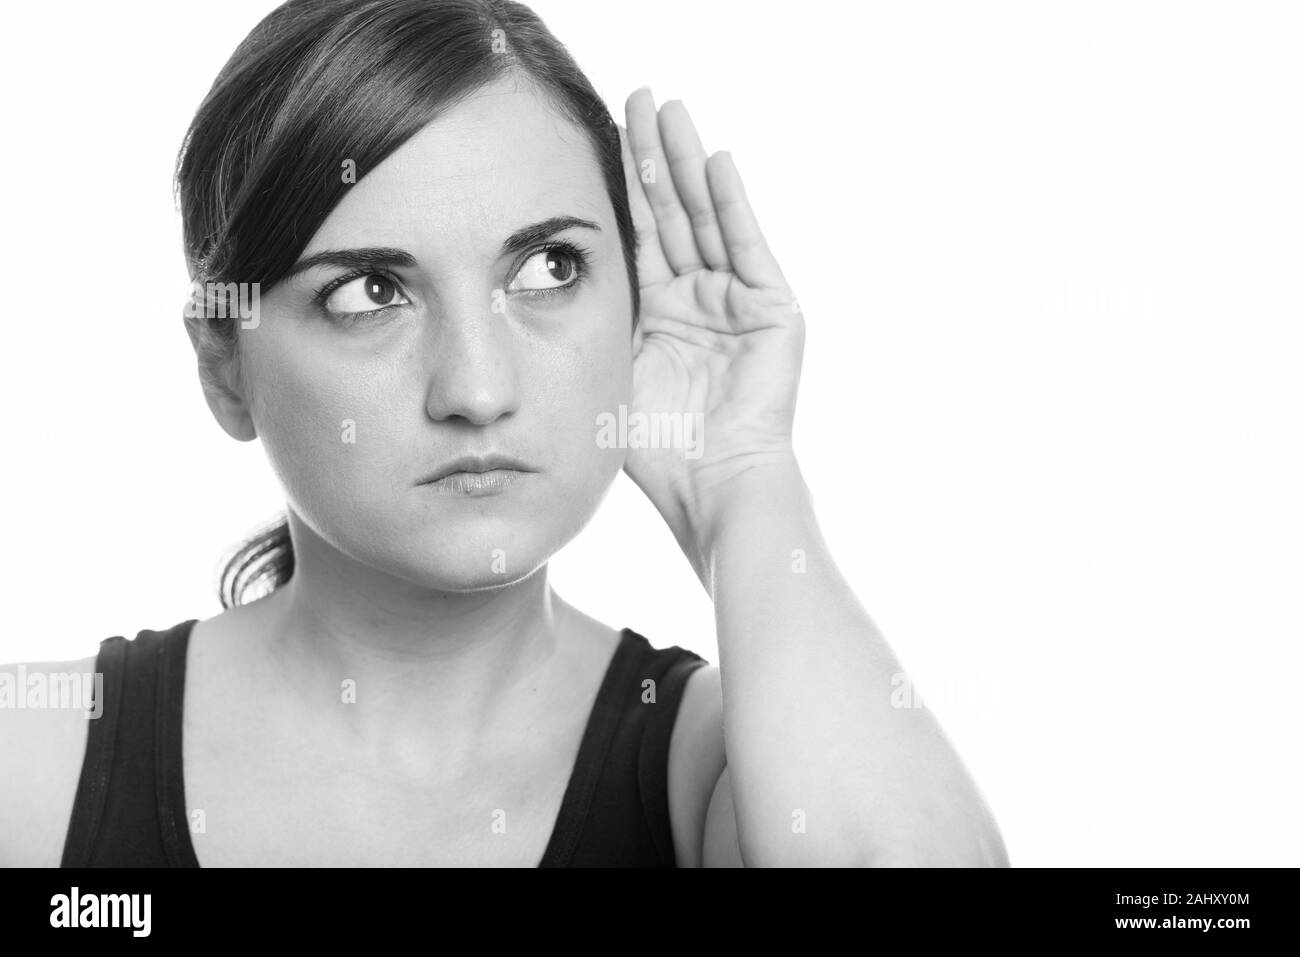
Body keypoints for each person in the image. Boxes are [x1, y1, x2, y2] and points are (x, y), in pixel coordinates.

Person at [0, 0, 1008, 867]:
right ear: (224, 364)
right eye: (370, 291)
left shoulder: (706, 768)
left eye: (546, 272)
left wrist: (742, 480)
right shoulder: (30, 764)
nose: (476, 390)